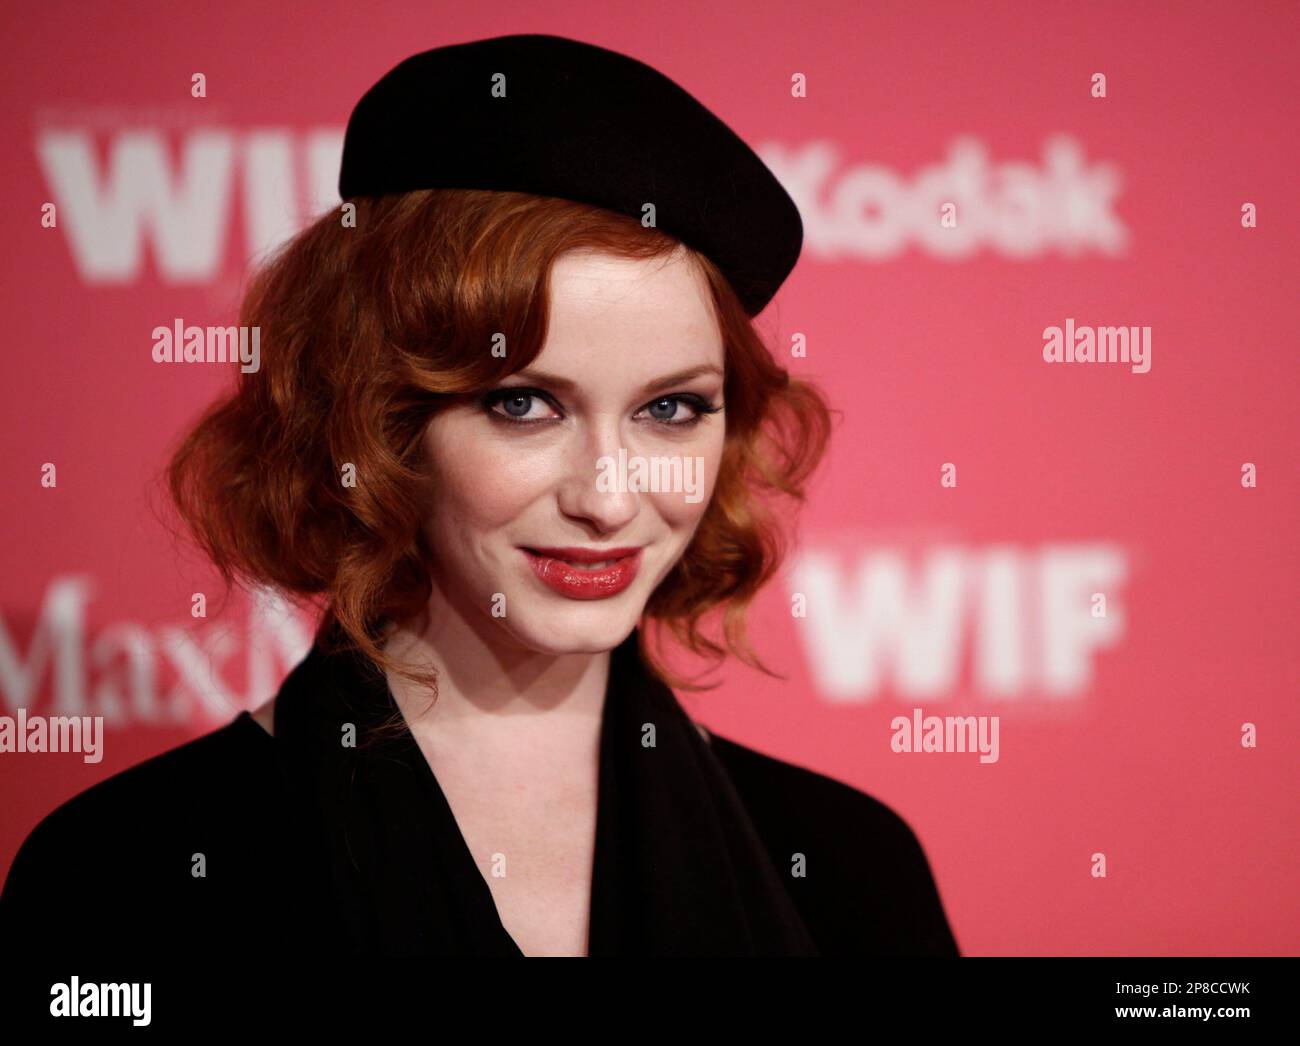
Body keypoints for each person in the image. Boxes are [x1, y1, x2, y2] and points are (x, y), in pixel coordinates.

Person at [0, 33, 959, 957]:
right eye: (523, 404)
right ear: (375, 422)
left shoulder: (848, 871)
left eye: (671, 408)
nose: (611, 499)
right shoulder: (126, 878)